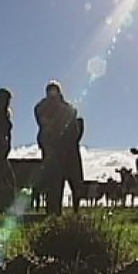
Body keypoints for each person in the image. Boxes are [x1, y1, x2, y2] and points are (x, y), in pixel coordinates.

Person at [34, 81, 85, 215]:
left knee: (74, 180)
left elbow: (74, 121)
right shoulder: (43, 108)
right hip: (52, 150)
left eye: (54, 92)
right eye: (50, 92)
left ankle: (75, 210)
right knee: (54, 181)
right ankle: (53, 211)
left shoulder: (67, 108)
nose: (52, 95)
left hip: (68, 149)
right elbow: (41, 117)